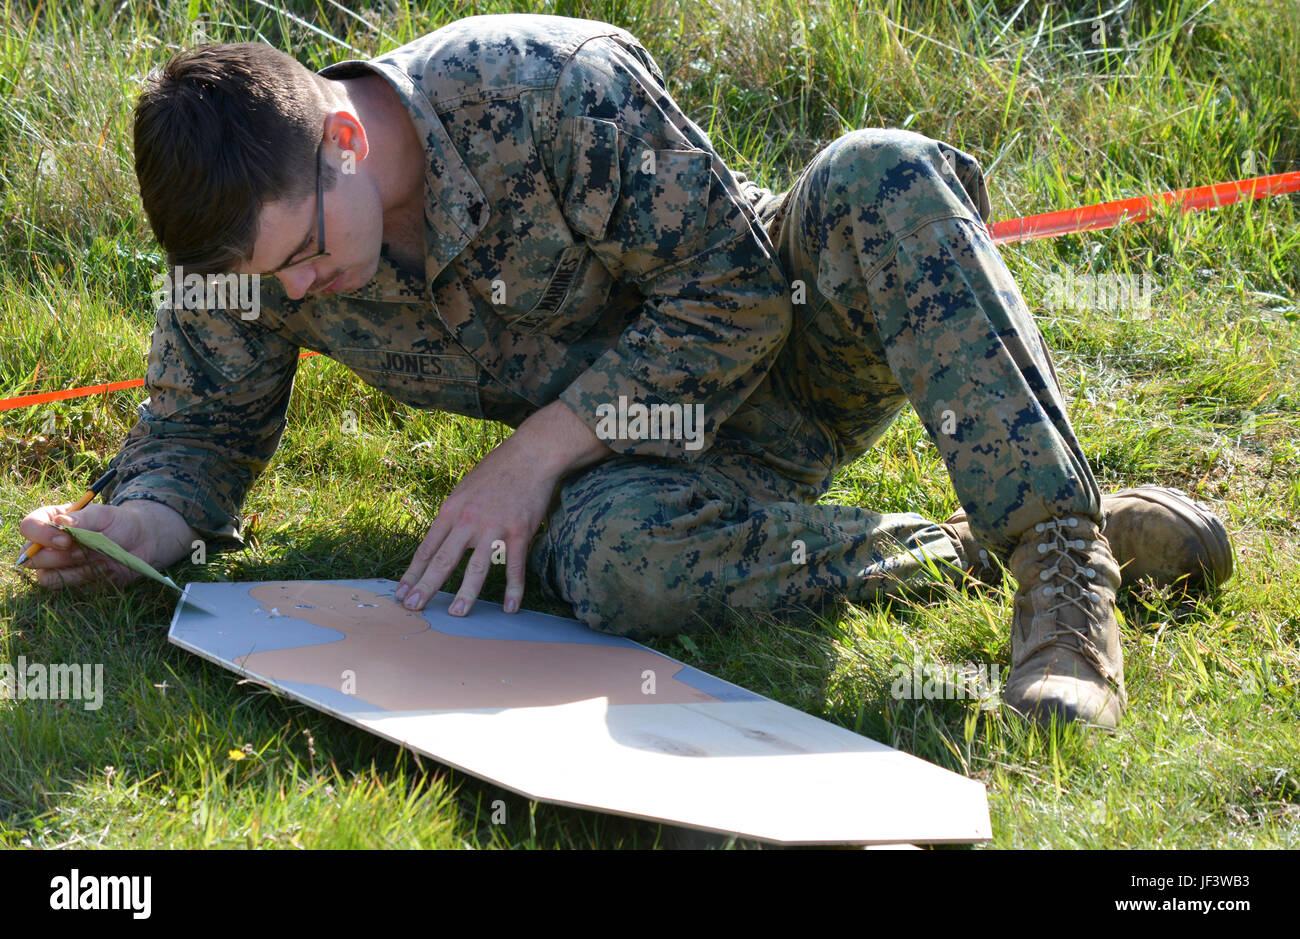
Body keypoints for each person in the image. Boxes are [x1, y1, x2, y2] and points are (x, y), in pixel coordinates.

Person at [18, 12, 1233, 728]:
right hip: (641, 475)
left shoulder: (544, 86)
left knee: (879, 167)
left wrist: (533, 451)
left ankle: (1063, 576)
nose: (295, 294)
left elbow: (741, 288)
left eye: (304, 257)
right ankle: (965, 552)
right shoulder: (252, 242)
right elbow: (202, 427)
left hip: (789, 350)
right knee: (602, 565)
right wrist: (138, 523)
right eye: (267, 279)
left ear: (341, 138)